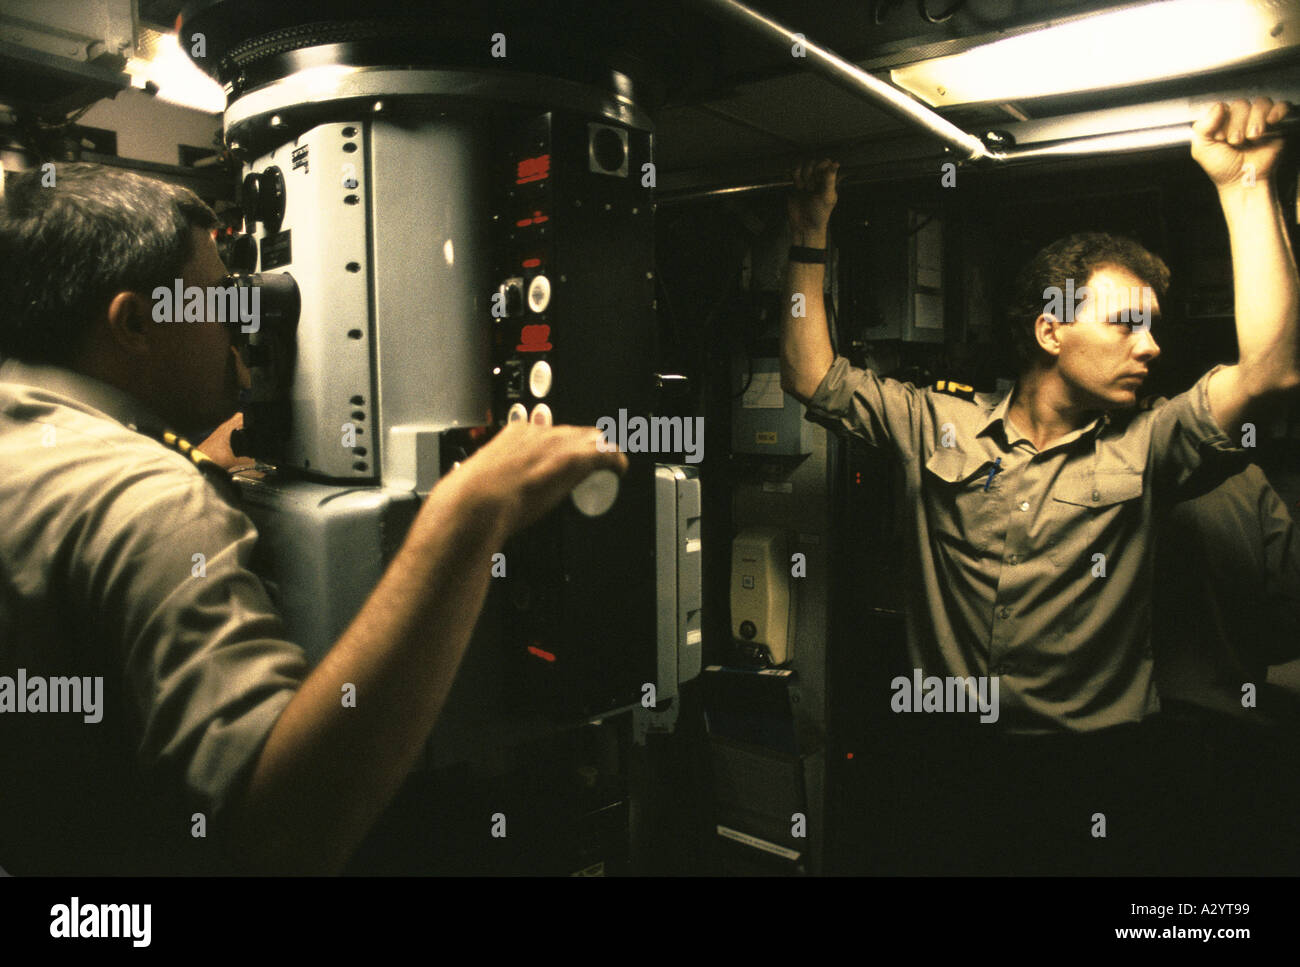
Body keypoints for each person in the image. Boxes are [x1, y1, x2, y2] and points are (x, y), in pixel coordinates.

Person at [0, 162, 625, 875]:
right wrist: (468, 515)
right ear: (136, 322)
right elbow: (276, 832)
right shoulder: (147, 499)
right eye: (211, 302)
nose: (238, 323)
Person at [782, 98, 1299, 873]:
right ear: (1050, 330)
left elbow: (1271, 370)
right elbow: (810, 374)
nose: (1152, 347)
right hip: (949, 756)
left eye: (1154, 327)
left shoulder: (1152, 442)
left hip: (1094, 774)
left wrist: (1247, 185)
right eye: (1127, 323)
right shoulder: (937, 425)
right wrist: (807, 236)